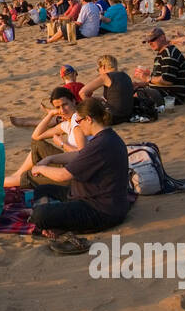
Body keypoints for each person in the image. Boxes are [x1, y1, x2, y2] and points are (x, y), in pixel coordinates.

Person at [28, 98, 131, 237]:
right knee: (42, 189)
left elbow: (63, 175)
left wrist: (40, 169)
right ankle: (58, 224)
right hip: (87, 196)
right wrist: (49, 158)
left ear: (88, 119)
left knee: (40, 215)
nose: (77, 125)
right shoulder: (106, 137)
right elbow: (80, 154)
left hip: (100, 210)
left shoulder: (101, 144)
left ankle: (54, 223)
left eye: (78, 121)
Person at [3, 88, 83, 191]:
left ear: (73, 101)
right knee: (38, 145)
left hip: (72, 174)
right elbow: (36, 136)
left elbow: (83, 156)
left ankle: (2, 182)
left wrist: (62, 144)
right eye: (58, 107)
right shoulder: (69, 122)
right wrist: (50, 114)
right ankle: (16, 176)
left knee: (30, 176)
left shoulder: (78, 122)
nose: (62, 110)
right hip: (68, 164)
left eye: (65, 104)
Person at [133, 27, 185, 104]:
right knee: (129, 89)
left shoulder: (169, 54)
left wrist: (148, 78)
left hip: (172, 96)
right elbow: (157, 79)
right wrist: (139, 84)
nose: (150, 43)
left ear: (162, 37)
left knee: (134, 97)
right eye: (148, 41)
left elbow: (167, 80)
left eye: (152, 40)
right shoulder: (161, 54)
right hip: (163, 92)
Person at [79, 54, 134, 125]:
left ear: (103, 67)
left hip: (113, 117)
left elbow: (82, 93)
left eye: (98, 69)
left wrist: (91, 106)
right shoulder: (126, 76)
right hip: (128, 115)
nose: (99, 72)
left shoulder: (106, 77)